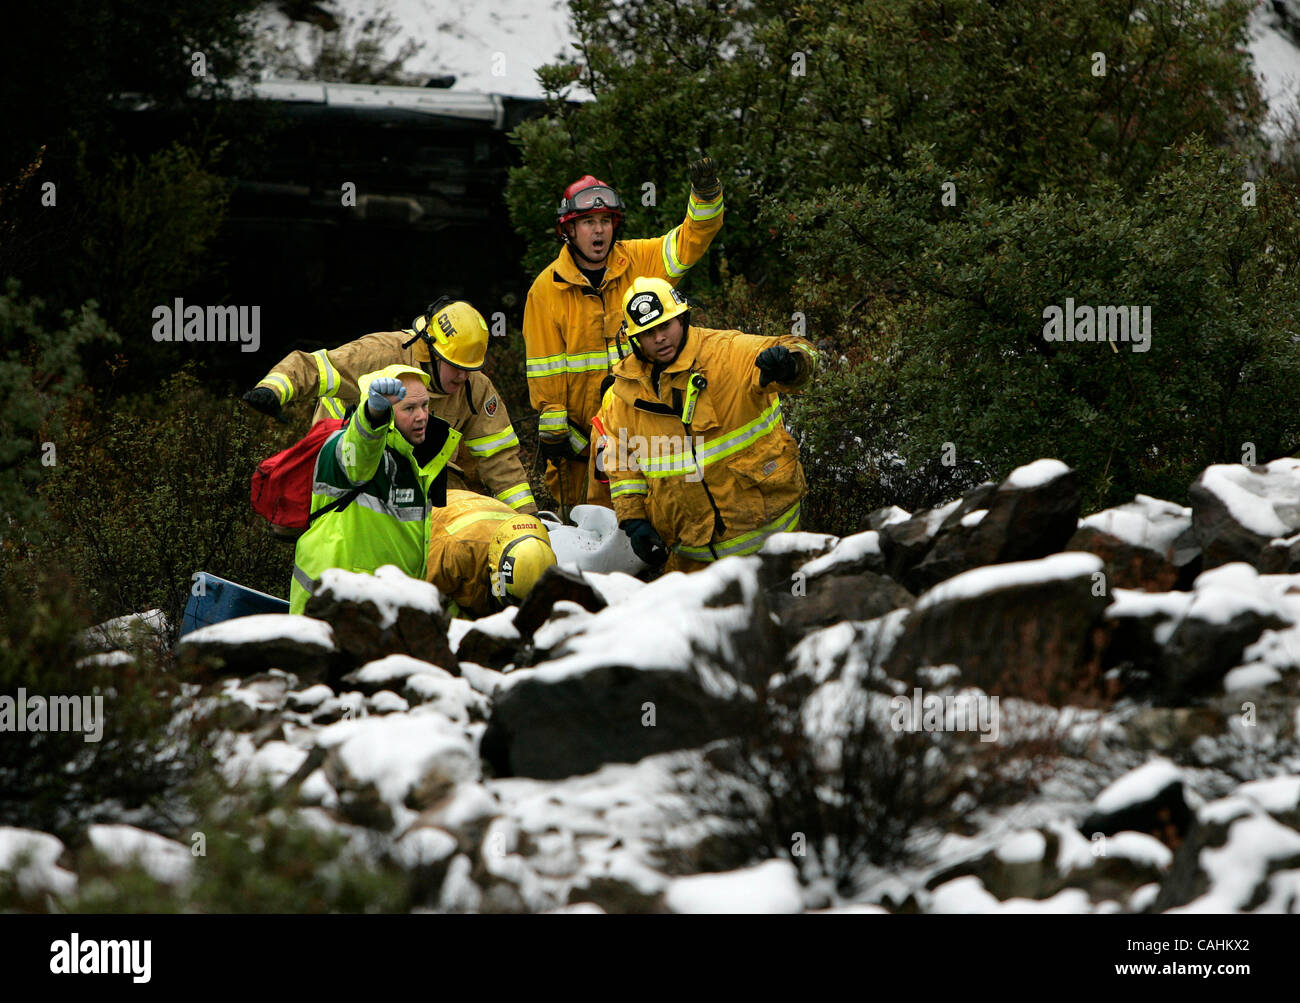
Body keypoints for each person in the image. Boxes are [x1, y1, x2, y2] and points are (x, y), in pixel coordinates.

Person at [523, 157, 725, 515]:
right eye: (587, 222)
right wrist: (556, 423)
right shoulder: (545, 290)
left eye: (604, 221)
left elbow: (691, 241)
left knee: (658, 521)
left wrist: (705, 198)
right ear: (568, 230)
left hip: (644, 435)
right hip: (581, 451)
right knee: (591, 536)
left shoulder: (641, 260)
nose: (598, 231)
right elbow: (544, 370)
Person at [599, 276, 817, 574]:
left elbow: (796, 347)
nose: (659, 338)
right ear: (632, 338)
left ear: (683, 318)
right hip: (693, 562)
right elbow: (621, 462)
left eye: (665, 326)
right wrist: (633, 519)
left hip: (772, 549)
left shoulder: (728, 353)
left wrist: (790, 364)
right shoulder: (622, 396)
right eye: (648, 332)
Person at [243, 299, 537, 514]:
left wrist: (528, 519)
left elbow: (500, 459)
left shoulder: (475, 387)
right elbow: (315, 367)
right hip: (344, 463)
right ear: (429, 351)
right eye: (454, 366)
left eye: (469, 367)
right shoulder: (379, 354)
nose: (462, 375)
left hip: (412, 485)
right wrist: (273, 389)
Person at [289, 364, 461, 614]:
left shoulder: (413, 459)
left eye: (425, 405)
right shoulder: (346, 446)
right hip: (333, 602)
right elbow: (361, 447)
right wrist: (372, 413)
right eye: (409, 408)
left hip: (377, 605)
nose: (422, 416)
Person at [425, 490, 557, 619]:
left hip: (470, 512)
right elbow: (423, 596)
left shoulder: (540, 555)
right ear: (495, 570)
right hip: (433, 516)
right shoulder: (456, 551)